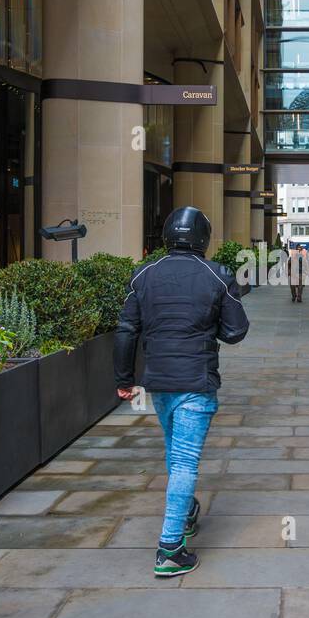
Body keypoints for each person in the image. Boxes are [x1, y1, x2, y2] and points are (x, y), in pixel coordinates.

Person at [114, 206, 249, 575]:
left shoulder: (144, 273)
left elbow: (127, 330)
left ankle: (186, 510)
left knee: (175, 452)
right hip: (197, 380)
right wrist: (209, 328)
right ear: (203, 238)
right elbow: (236, 331)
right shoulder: (217, 275)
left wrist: (124, 379)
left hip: (159, 381)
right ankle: (170, 548)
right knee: (185, 460)